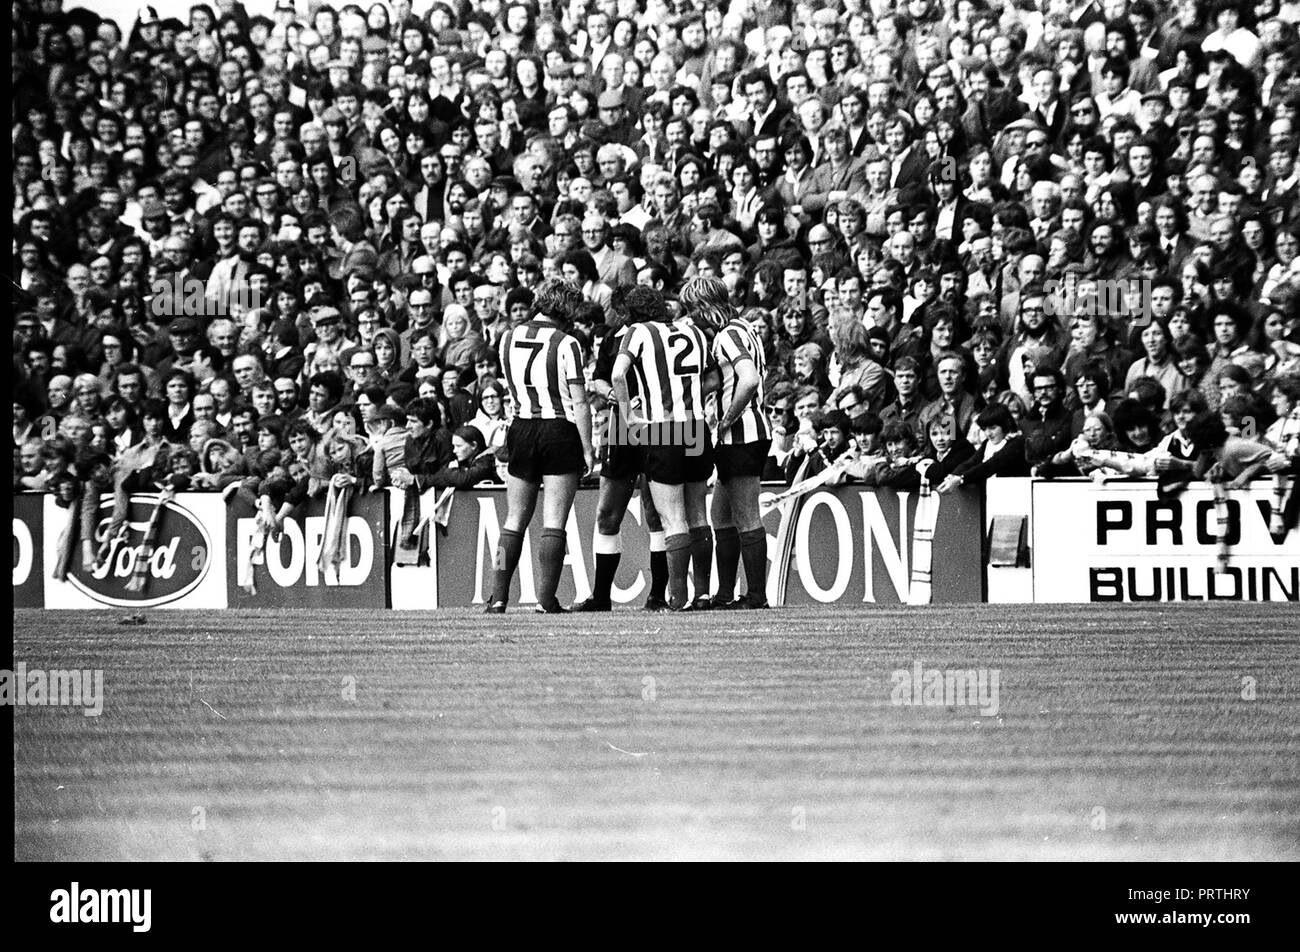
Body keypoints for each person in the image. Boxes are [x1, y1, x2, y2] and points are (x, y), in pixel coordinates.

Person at [486, 279, 594, 614]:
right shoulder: (567, 343)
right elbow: (579, 403)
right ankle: (546, 599)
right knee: (553, 521)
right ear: (565, 309)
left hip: (520, 428)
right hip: (558, 430)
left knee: (513, 520)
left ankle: (498, 596)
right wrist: (588, 448)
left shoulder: (507, 337)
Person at [612, 285, 715, 611]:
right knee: (698, 514)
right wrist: (689, 392)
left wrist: (629, 418)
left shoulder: (638, 332)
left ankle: (678, 597)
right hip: (696, 428)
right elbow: (713, 378)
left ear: (632, 313)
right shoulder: (693, 331)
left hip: (663, 429)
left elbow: (617, 375)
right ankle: (702, 594)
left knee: (673, 519)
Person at [571, 285, 668, 612]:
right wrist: (613, 393)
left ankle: (658, 595)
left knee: (657, 513)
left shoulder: (663, 338)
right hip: (622, 429)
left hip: (658, 426)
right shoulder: (614, 339)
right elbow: (599, 379)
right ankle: (601, 597)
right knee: (607, 512)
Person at [685, 277, 770, 610]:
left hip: (742, 435)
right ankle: (724, 593)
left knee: (747, 517)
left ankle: (756, 596)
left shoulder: (728, 335)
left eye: (695, 309)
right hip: (747, 434)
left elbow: (748, 379)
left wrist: (728, 417)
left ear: (707, 306)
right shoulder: (746, 328)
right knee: (721, 516)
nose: (693, 318)